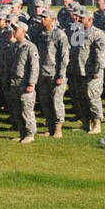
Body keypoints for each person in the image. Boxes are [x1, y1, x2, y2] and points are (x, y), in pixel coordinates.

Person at [35, 8, 68, 138]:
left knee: (56, 101)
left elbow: (64, 56)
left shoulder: (59, 35)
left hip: (55, 74)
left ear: (53, 20)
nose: (42, 20)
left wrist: (61, 75)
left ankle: (58, 128)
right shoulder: (40, 34)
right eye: (42, 17)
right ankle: (50, 127)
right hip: (42, 73)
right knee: (45, 101)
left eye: (45, 18)